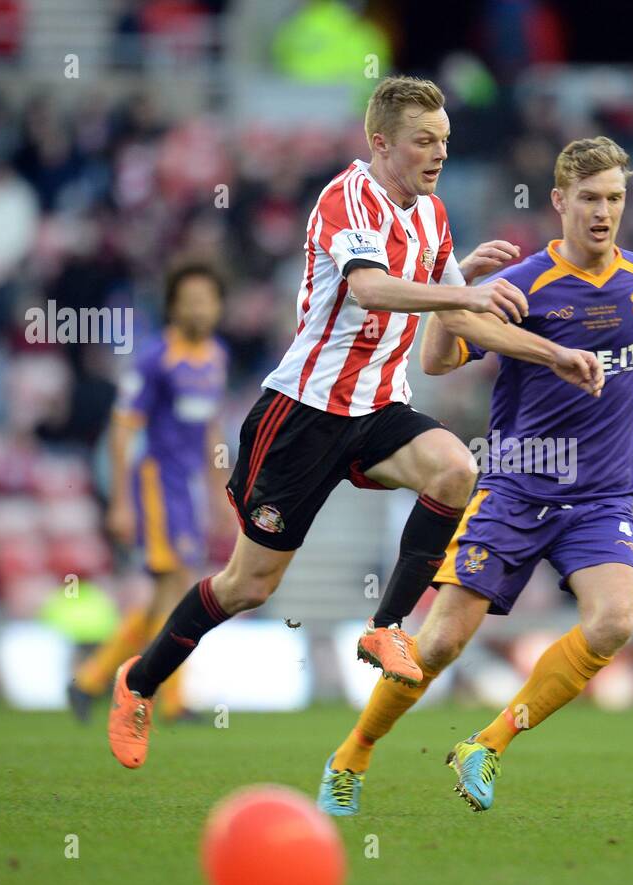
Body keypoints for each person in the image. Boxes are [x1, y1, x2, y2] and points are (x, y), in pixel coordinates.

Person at [317, 136, 633, 814]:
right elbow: (440, 360)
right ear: (559, 201)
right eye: (589, 198)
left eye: (614, 198)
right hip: (515, 486)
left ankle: (488, 743)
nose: (603, 212)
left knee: (615, 622)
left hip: (599, 497)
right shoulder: (525, 283)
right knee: (439, 641)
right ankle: (352, 754)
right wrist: (456, 299)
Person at [106, 76, 602, 769]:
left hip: (377, 409)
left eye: (445, 141)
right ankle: (139, 680)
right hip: (302, 416)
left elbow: (452, 319)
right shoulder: (346, 197)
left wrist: (550, 351)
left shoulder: (432, 216)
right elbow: (370, 286)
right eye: (423, 141)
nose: (438, 154)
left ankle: (386, 625)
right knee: (247, 585)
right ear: (381, 143)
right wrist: (458, 285)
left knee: (457, 467)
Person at [69, 261, 229, 723]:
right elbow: (123, 430)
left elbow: (211, 430)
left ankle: (91, 679)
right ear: (174, 307)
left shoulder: (215, 357)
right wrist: (121, 500)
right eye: (190, 299)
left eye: (207, 299)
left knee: (171, 596)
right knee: (178, 591)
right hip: (156, 483)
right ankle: (172, 700)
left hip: (188, 488)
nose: (199, 308)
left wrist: (220, 493)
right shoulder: (156, 359)